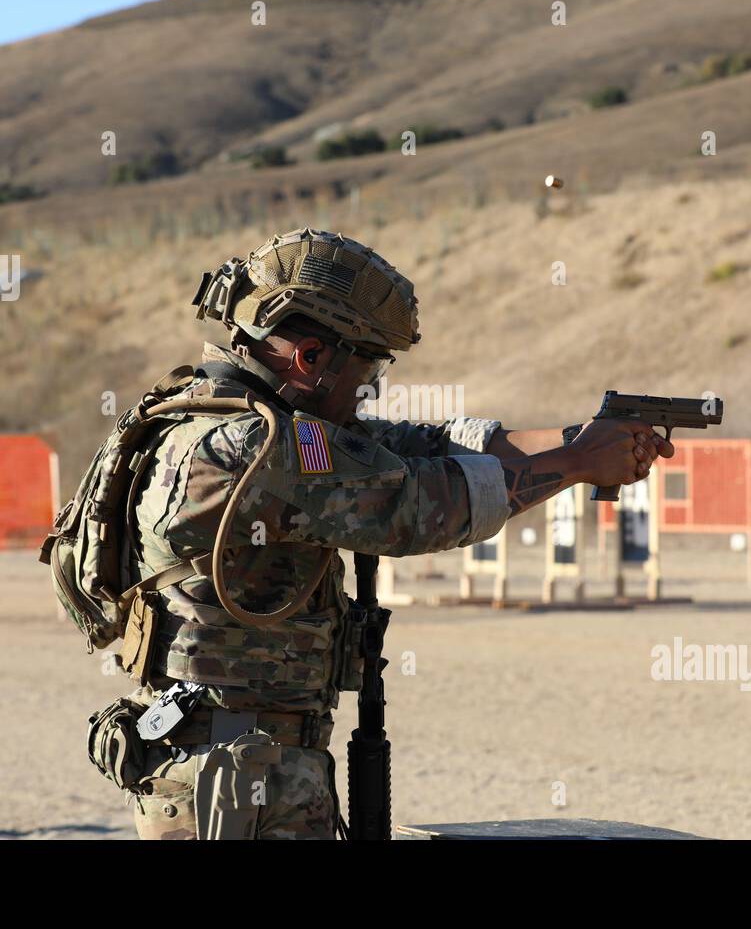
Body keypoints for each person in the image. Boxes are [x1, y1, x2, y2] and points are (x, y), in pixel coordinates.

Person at [91, 226, 672, 839]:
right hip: (234, 788)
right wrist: (580, 465)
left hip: (243, 767)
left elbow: (410, 449)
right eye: (368, 367)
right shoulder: (252, 448)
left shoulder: (227, 416)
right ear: (310, 357)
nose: (370, 389)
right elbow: (419, 504)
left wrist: (579, 440)